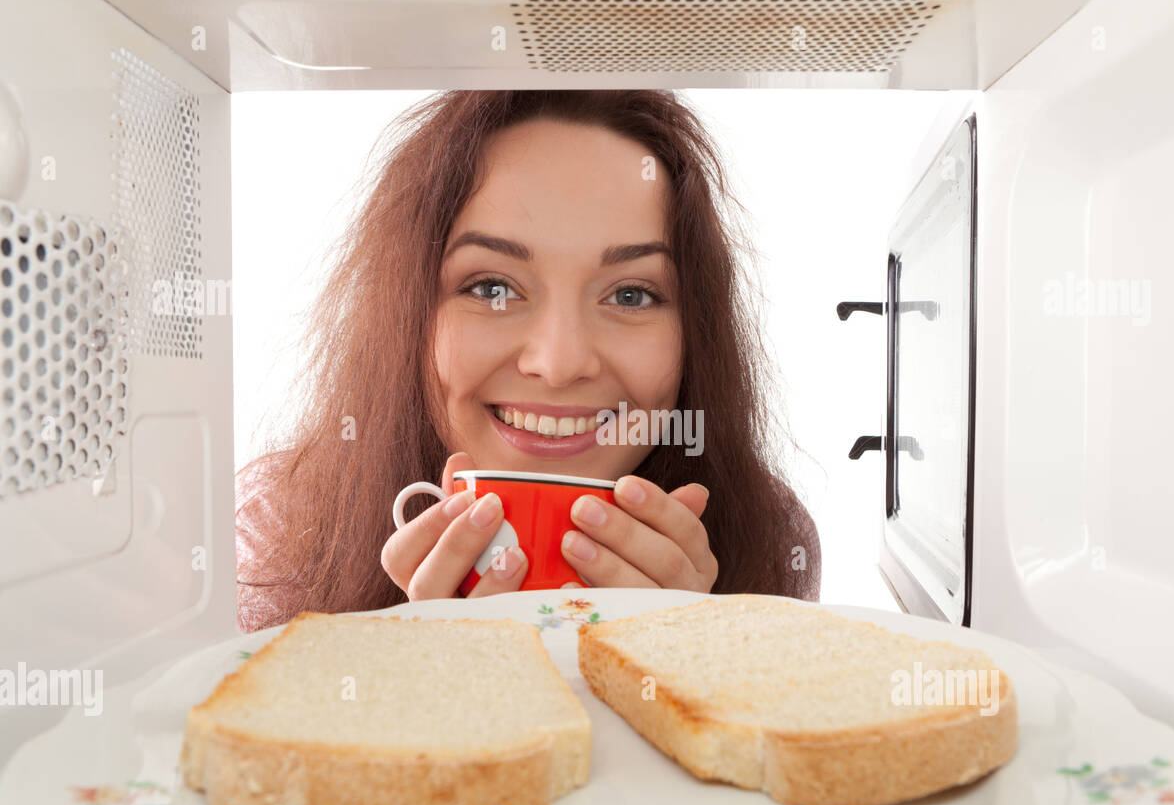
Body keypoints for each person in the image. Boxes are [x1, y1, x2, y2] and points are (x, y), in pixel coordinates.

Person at [236, 90, 820, 633]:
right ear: (409, 313)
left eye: (631, 295)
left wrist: (685, 659)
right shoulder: (273, 530)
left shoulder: (769, 536)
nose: (559, 363)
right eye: (492, 288)